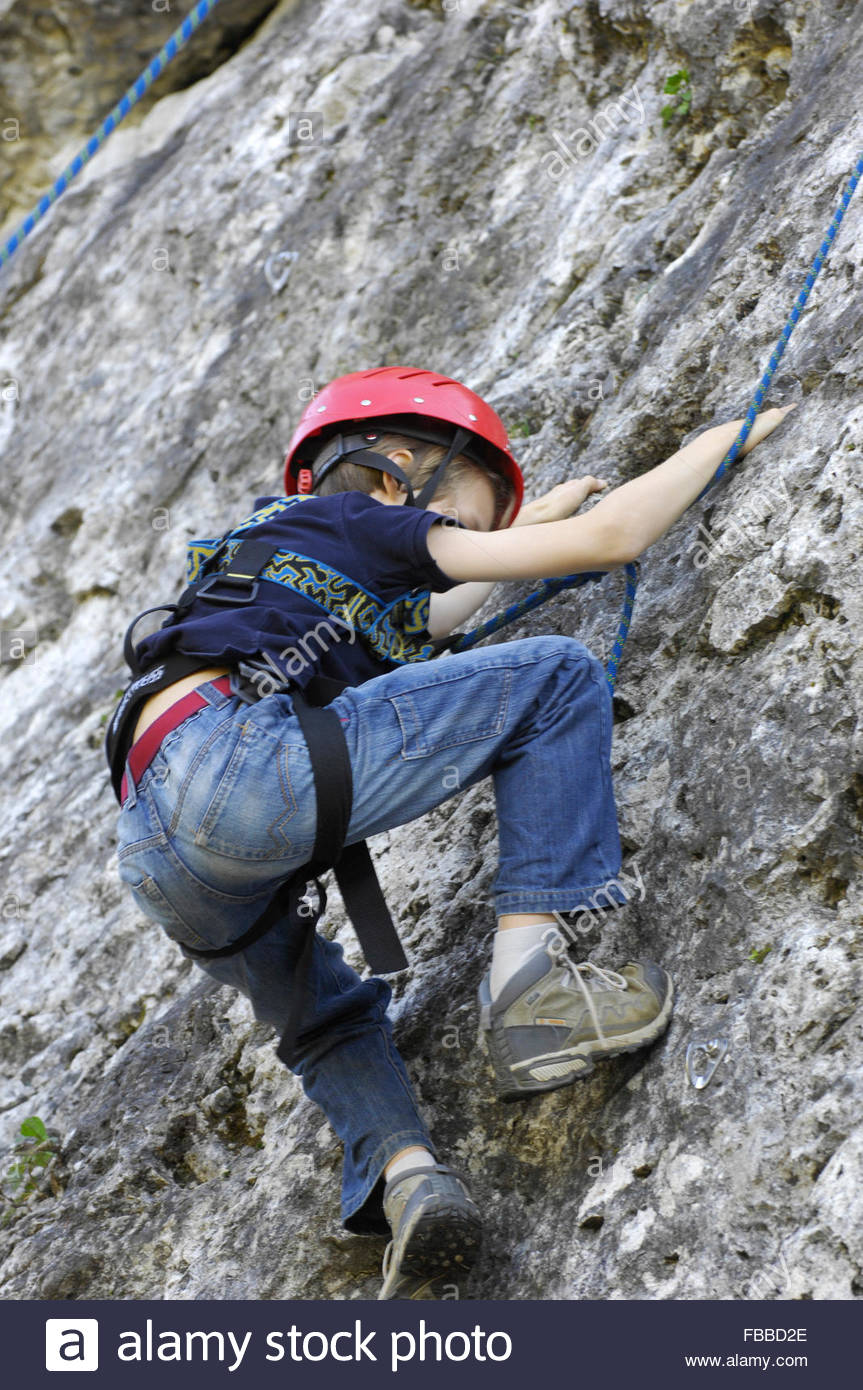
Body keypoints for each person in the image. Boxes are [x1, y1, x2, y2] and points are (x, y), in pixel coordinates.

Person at [110, 367, 795, 1299]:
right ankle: (532, 988)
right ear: (399, 470)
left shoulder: (281, 553)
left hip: (159, 841)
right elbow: (612, 539)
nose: (463, 539)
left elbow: (428, 613)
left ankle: (407, 1180)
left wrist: (522, 523)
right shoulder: (361, 520)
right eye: (461, 515)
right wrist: (714, 445)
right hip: (242, 764)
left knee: (325, 1020)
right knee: (554, 675)